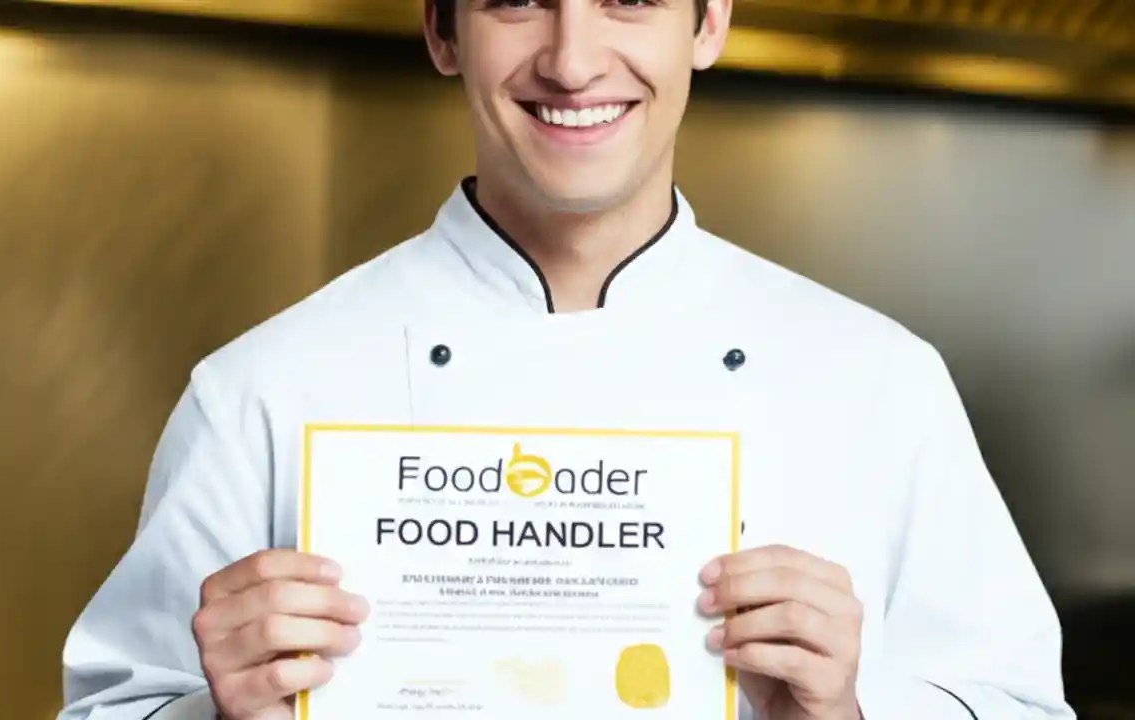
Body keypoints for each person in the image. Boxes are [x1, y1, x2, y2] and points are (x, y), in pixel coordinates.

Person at [57, 1, 1074, 718]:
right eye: (514, 1)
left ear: (708, 22)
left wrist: (847, 715)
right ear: (441, 30)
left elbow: (1018, 707)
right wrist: (222, 716)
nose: (572, 59)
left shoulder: (877, 382)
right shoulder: (262, 392)